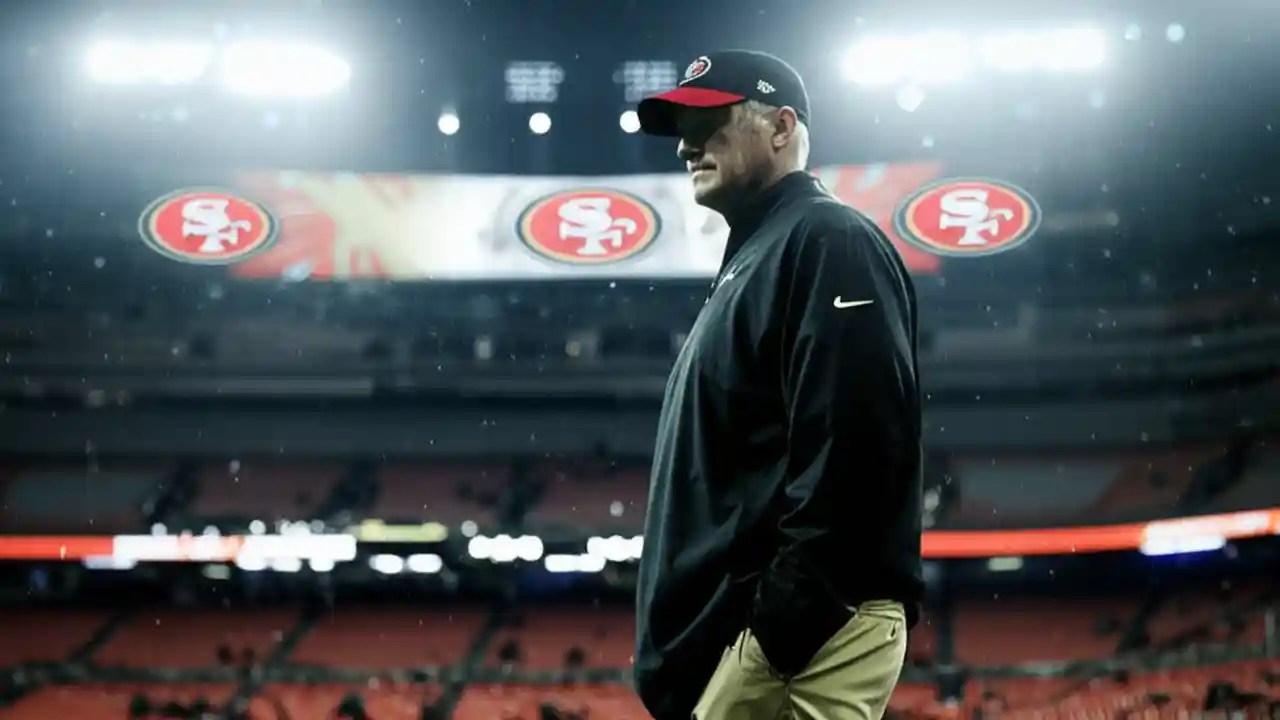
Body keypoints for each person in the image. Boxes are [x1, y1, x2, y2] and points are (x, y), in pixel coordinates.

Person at [632, 50, 924, 720]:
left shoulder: (830, 240)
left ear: (781, 127)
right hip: (757, 647)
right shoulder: (762, 254)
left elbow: (858, 440)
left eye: (709, 121)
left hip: (798, 648)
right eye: (682, 126)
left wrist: (780, 628)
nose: (685, 145)